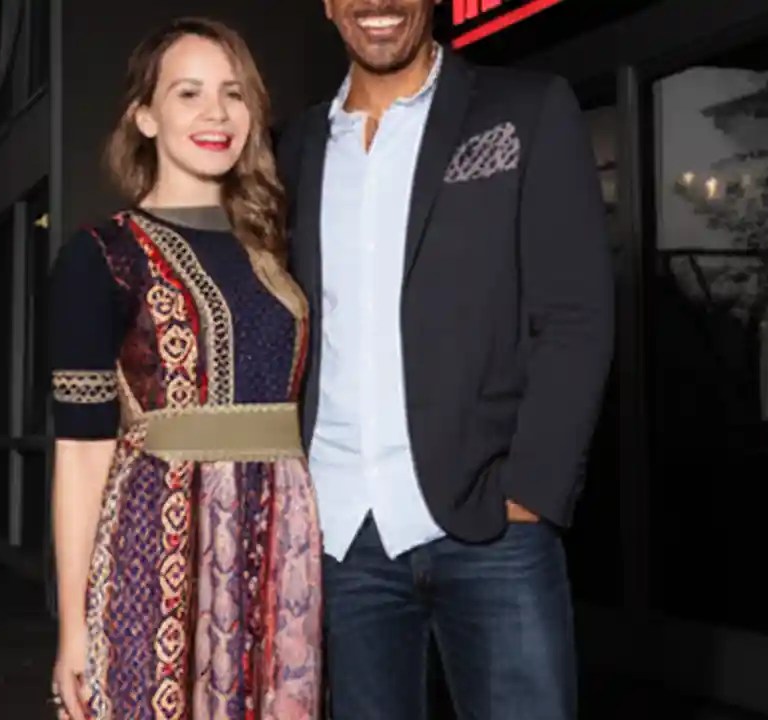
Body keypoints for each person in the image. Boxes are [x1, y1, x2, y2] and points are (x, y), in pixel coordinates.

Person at [276, 1, 614, 718]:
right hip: (341, 537)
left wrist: (533, 491)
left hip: (493, 525)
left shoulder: (526, 108)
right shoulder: (293, 149)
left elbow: (576, 313)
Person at [47, 17, 321, 720]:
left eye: (233, 94)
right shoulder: (100, 256)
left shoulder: (276, 249)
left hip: (280, 548)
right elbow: (81, 453)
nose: (216, 114)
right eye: (188, 92)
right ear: (144, 115)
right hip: (156, 549)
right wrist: (74, 629)